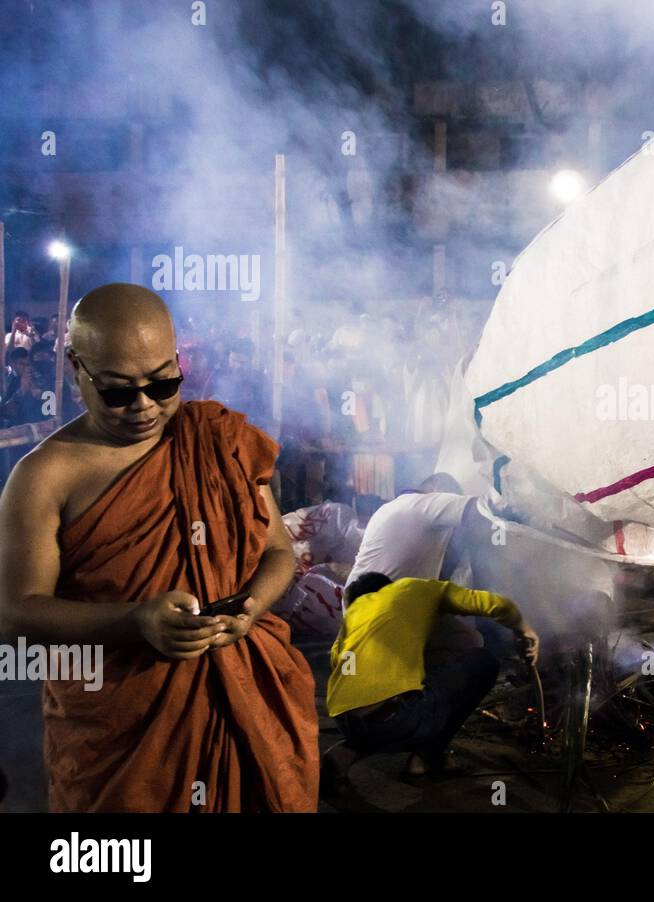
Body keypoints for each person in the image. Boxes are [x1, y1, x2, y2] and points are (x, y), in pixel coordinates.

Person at [0, 283, 318, 812]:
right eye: (118, 392)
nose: (144, 406)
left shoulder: (217, 439)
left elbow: (278, 553)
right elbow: (15, 614)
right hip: (123, 724)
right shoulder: (45, 476)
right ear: (77, 367)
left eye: (163, 383)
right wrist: (137, 621)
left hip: (241, 689)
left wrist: (247, 610)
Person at [323, 572, 540, 785]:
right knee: (483, 662)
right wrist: (523, 628)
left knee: (385, 711)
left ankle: (345, 753)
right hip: (397, 719)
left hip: (346, 721)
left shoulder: (353, 616)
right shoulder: (410, 588)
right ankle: (425, 759)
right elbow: (494, 604)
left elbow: (335, 661)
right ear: (387, 586)